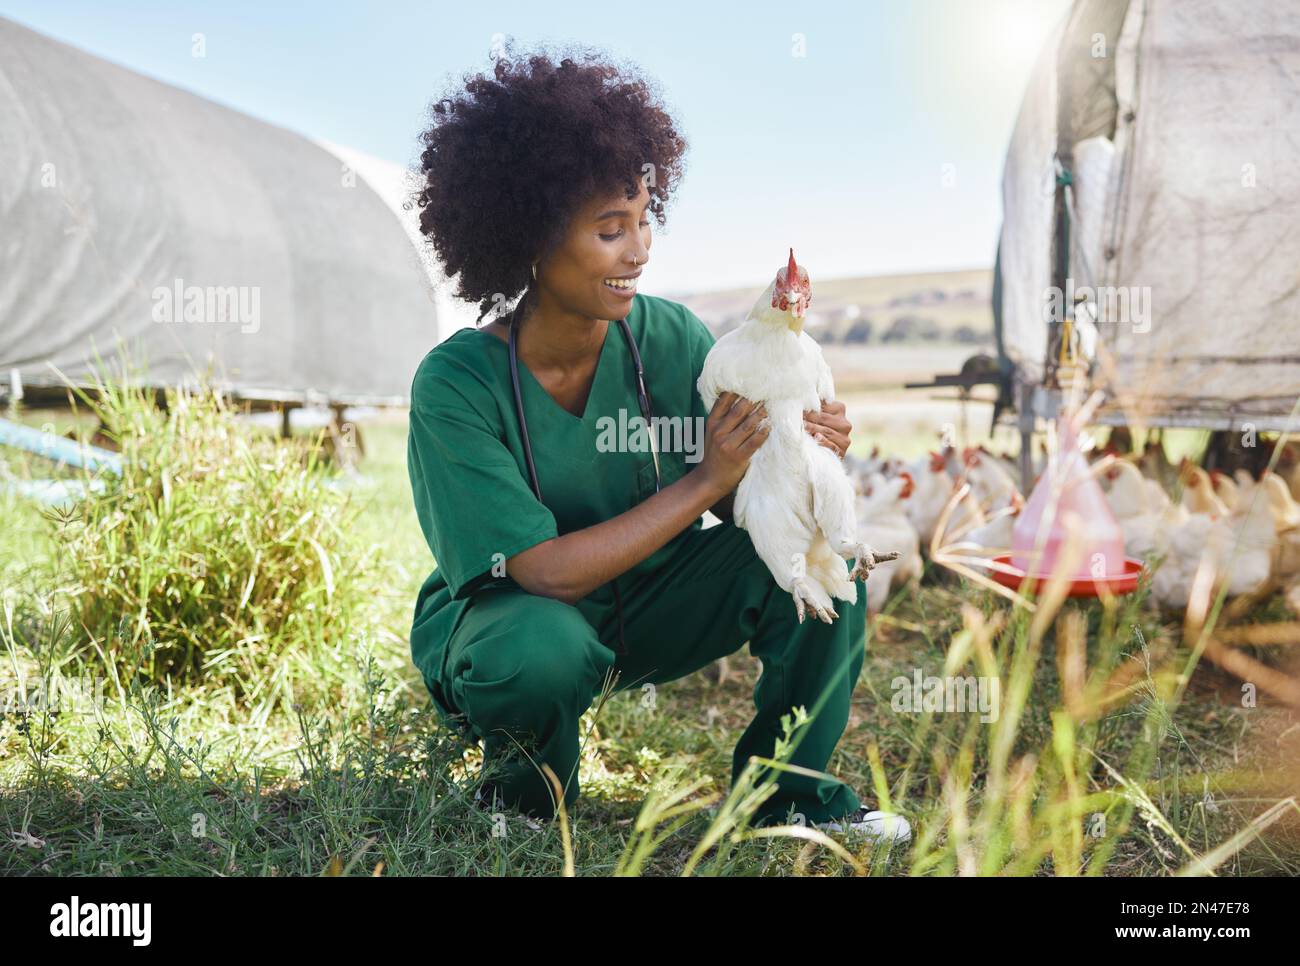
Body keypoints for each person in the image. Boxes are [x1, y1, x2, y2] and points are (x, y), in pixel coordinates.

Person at [406, 46, 909, 841]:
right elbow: (540, 573)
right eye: (611, 230)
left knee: (822, 561)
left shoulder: (669, 339)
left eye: (645, 221)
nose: (640, 250)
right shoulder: (457, 386)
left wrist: (799, 455)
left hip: (651, 604)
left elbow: (752, 491)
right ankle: (527, 800)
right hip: (517, 624)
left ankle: (789, 799)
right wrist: (705, 481)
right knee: (539, 646)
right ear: (530, 240)